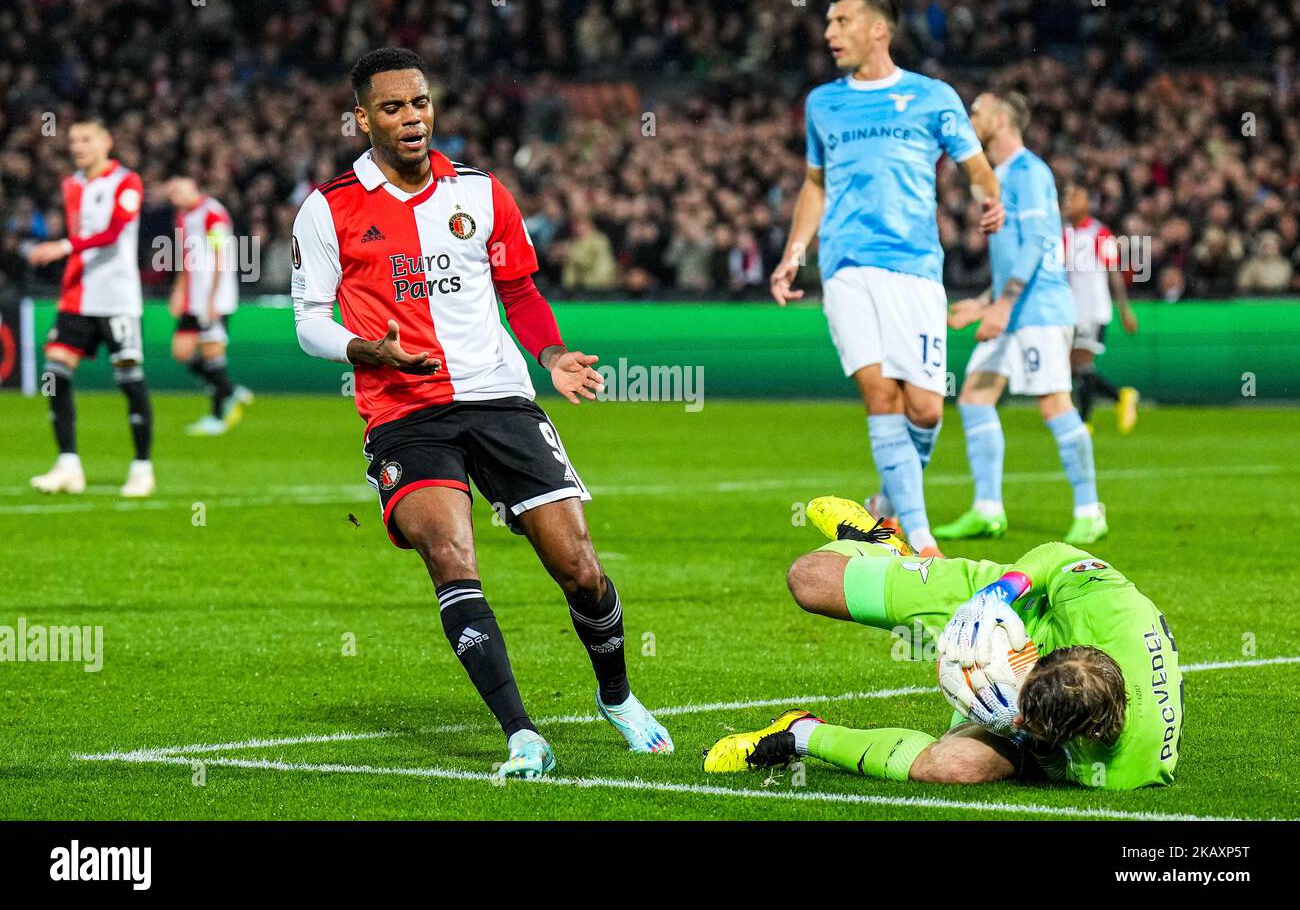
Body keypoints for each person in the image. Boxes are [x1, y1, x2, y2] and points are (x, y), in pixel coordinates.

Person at [289, 48, 671, 779]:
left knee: (580, 569)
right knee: (452, 558)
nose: (412, 118)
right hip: (405, 412)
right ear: (362, 117)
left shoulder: (481, 192)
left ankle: (617, 696)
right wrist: (366, 349)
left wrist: (553, 356)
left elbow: (520, 290)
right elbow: (307, 320)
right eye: (394, 107)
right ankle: (521, 734)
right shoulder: (328, 207)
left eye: (422, 103)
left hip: (499, 398)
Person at [704, 497, 1183, 791]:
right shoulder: (1109, 609)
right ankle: (883, 544)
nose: (1017, 719)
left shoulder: (1127, 770)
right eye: (1023, 709)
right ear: (1062, 653)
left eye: (1027, 719)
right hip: (1006, 608)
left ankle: (798, 734)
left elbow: (1050, 760)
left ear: (1083, 735)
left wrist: (1016, 733)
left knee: (952, 763)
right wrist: (1000, 592)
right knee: (808, 580)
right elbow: (1057, 556)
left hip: (1047, 723)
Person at [769, 0, 1005, 558]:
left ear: (879, 30)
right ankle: (918, 540)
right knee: (881, 395)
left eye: (842, 20)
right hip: (848, 267)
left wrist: (990, 198)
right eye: (828, 22)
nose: (829, 33)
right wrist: (794, 252)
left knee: (924, 408)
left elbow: (976, 165)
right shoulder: (823, 103)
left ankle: (891, 503)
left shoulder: (933, 97)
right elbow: (815, 185)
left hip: (917, 268)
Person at [939, 91, 1106, 544]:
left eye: (976, 111)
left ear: (1001, 119)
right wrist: (982, 303)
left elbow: (1038, 244)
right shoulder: (997, 177)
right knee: (974, 398)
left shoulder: (1030, 171)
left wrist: (1004, 305)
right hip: (1011, 307)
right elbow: (1015, 256)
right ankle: (988, 509)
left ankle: (1091, 511)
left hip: (1039, 311)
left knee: (1054, 404)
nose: (970, 118)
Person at [28, 118, 154, 497]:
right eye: (73, 140)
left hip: (117, 299)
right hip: (78, 298)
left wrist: (64, 247)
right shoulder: (71, 185)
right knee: (55, 373)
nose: (78, 146)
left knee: (129, 381)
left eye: (86, 139)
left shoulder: (126, 182)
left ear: (106, 142)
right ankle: (68, 465)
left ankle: (141, 468)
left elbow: (114, 232)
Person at [163, 176, 253, 435]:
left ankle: (217, 416)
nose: (175, 197)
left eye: (178, 190)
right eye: (171, 194)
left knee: (212, 354)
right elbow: (185, 257)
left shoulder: (212, 213)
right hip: (193, 296)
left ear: (193, 186)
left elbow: (220, 255)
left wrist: (213, 298)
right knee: (181, 351)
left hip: (214, 297)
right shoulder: (182, 217)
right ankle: (230, 390)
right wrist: (178, 291)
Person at [1062, 182, 1139, 433]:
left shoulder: (1100, 233)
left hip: (1093, 309)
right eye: (1066, 198)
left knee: (1082, 365)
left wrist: (1124, 310)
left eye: (1074, 198)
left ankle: (1083, 422)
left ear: (1086, 204)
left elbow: (1114, 273)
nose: (1067, 203)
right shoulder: (1063, 233)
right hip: (1072, 310)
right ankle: (1121, 397)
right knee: (1071, 367)